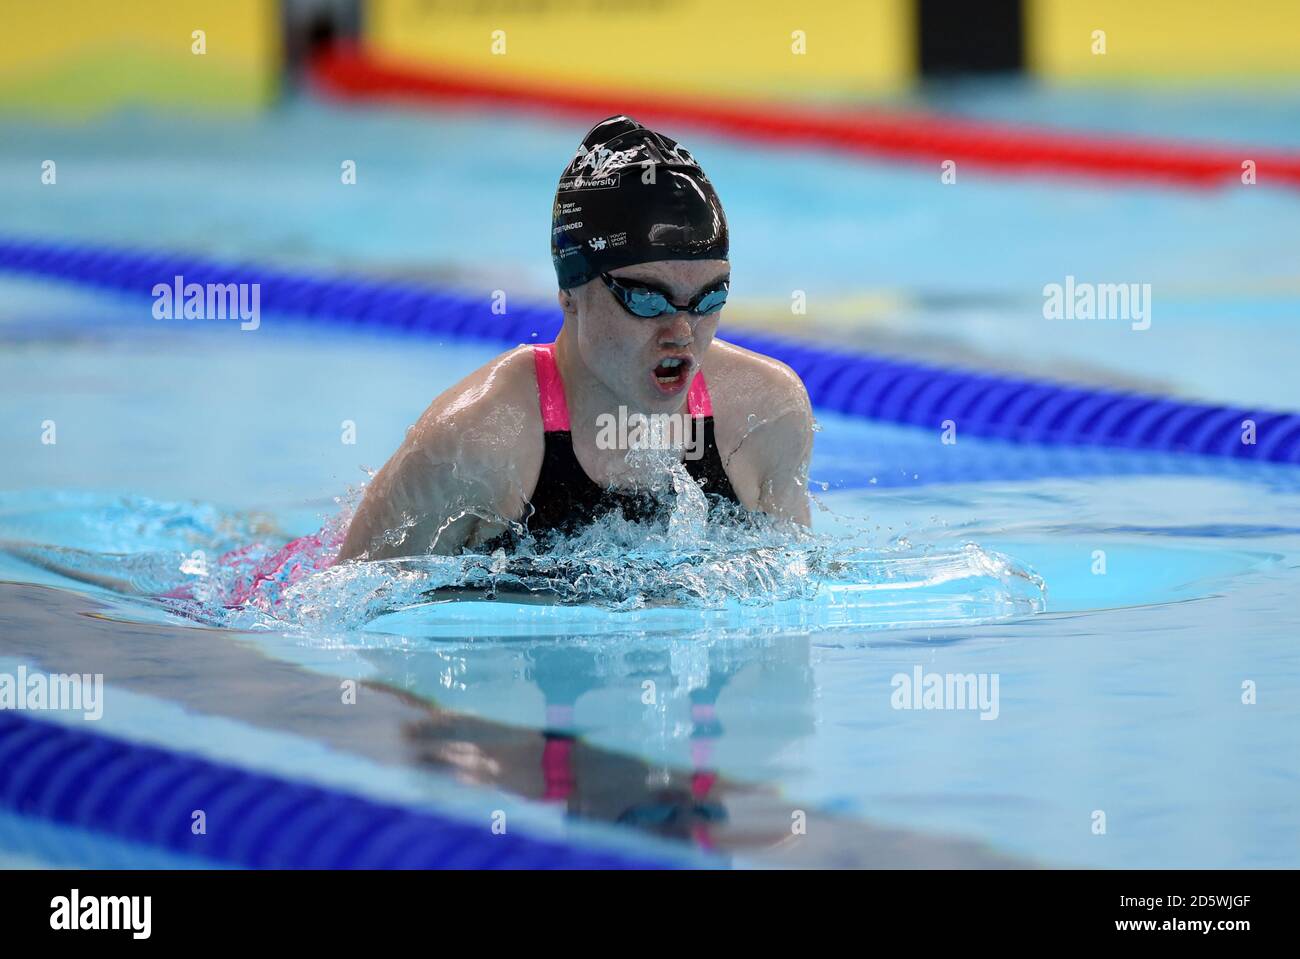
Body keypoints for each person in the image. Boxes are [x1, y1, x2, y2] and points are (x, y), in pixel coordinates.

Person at [338, 115, 813, 563]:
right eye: (648, 299)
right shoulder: (477, 441)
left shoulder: (764, 415)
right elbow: (344, 615)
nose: (682, 333)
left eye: (710, 299)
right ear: (571, 294)